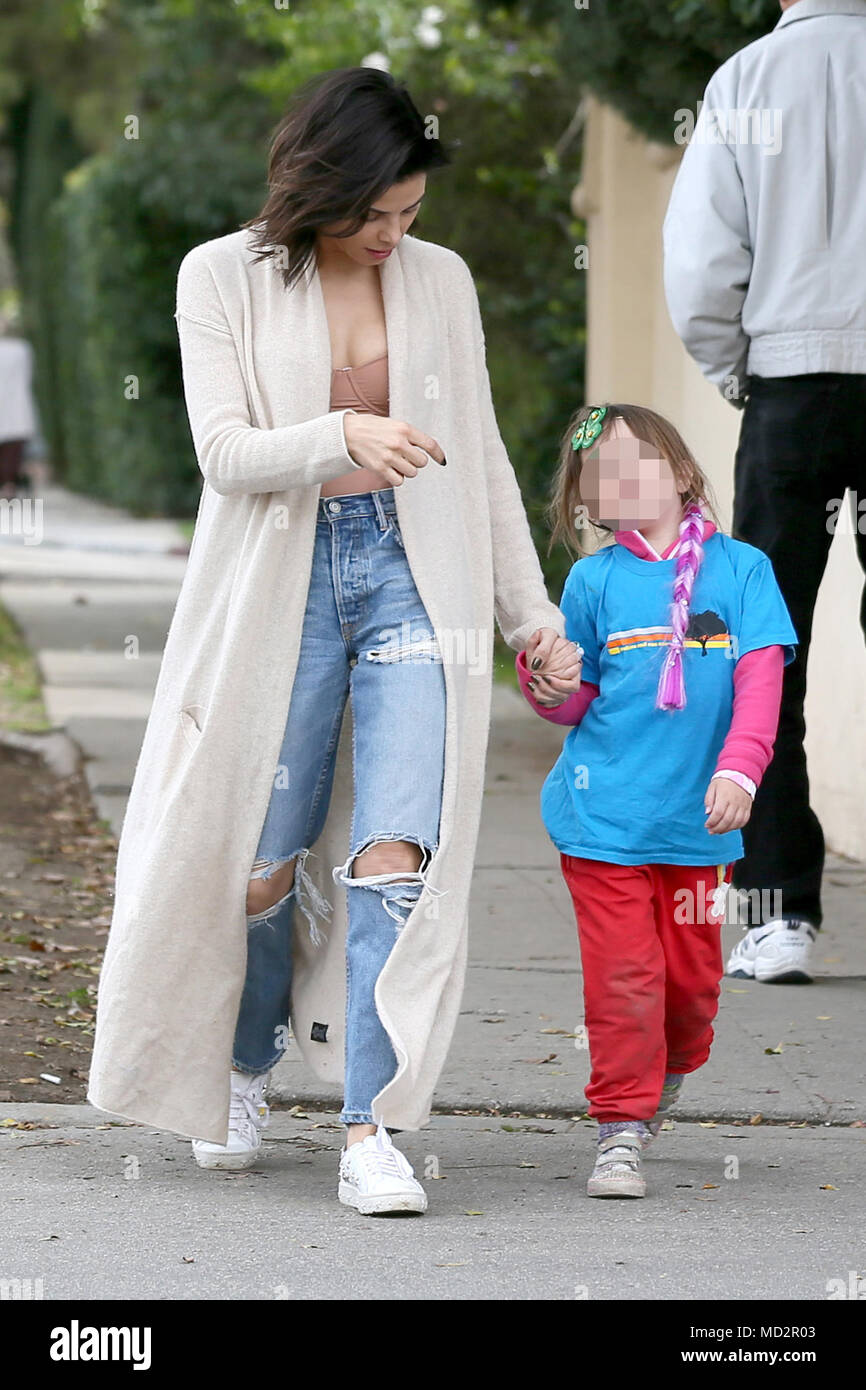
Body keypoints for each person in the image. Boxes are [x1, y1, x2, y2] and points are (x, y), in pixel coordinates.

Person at [86, 65, 582, 1216]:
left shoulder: (439, 281)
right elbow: (222, 452)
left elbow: (486, 454)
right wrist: (342, 430)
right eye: (372, 215)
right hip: (283, 583)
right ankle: (244, 1060)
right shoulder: (222, 274)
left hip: (416, 581)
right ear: (317, 189)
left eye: (409, 213)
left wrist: (531, 615)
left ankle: (371, 1123)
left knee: (394, 854)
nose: (392, 235)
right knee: (262, 859)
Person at [515, 403, 798, 1198]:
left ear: (679, 474)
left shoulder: (742, 572)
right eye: (598, 473)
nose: (619, 478)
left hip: (700, 826)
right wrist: (546, 683)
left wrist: (741, 771)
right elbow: (573, 699)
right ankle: (619, 1126)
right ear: (588, 502)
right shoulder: (593, 579)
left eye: (635, 460)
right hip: (600, 818)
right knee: (625, 979)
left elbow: (761, 681)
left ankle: (669, 1070)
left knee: (690, 987)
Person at [662, 0, 866, 984]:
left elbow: (700, 264)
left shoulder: (744, 80)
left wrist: (739, 369)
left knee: (762, 649)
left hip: (790, 390)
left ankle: (779, 914)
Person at [0, 313, 37, 499]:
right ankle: (9, 485)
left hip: (13, 403)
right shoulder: (22, 349)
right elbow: (29, 375)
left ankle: (7, 485)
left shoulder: (21, 348)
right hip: (16, 404)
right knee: (13, 450)